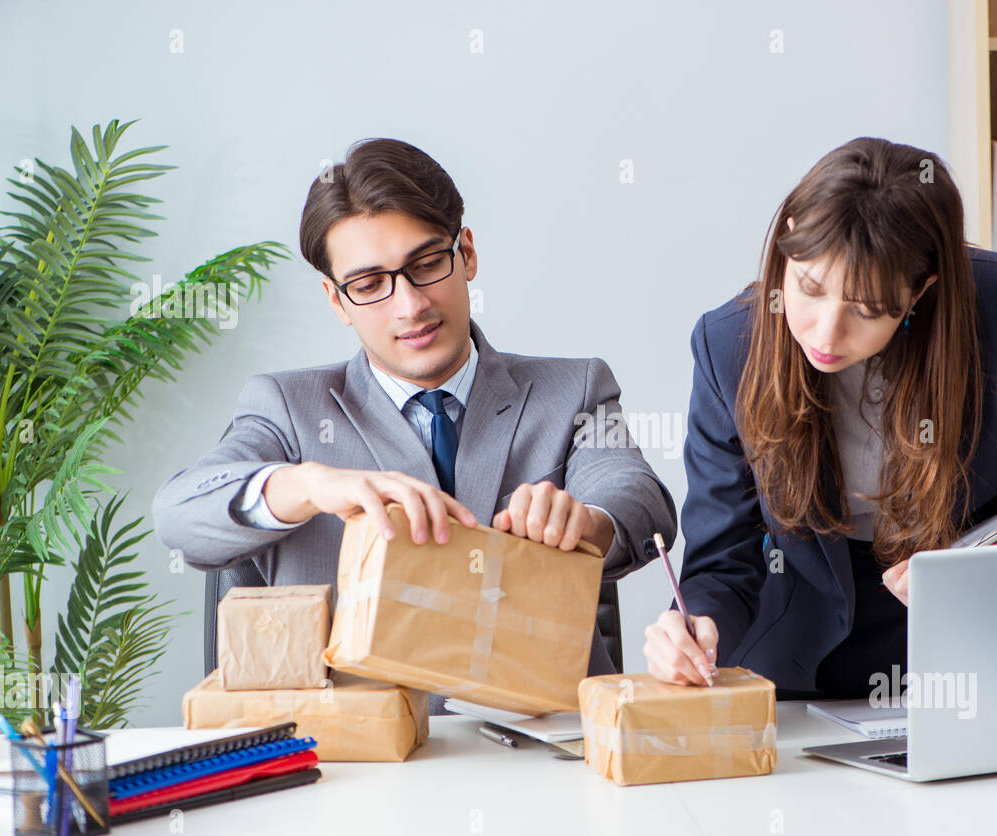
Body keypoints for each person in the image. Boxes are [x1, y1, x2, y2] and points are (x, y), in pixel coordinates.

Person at [153, 138, 676, 713]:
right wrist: (309, 485)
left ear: (467, 253)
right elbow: (179, 514)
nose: (410, 306)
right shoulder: (287, 408)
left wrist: (588, 520)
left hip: (543, 751)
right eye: (370, 284)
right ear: (336, 299)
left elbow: (639, 497)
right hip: (352, 761)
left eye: (427, 264)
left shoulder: (572, 387)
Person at [644, 136, 997, 699]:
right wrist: (698, 623)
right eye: (809, 288)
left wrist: (966, 563)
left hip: (964, 650)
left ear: (920, 291)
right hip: (794, 660)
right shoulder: (728, 344)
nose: (825, 333)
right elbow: (723, 558)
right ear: (786, 240)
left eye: (867, 309)